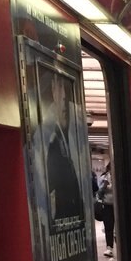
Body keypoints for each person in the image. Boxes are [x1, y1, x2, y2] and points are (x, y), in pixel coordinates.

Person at [43, 71, 83, 220]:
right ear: (53, 89)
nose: (65, 96)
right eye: (60, 86)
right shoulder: (48, 142)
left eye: (67, 87)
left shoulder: (76, 133)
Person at [96, 164, 115, 258]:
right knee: (109, 226)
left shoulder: (119, 176)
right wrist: (104, 185)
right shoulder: (104, 178)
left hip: (119, 206)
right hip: (107, 205)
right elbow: (99, 193)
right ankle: (109, 247)